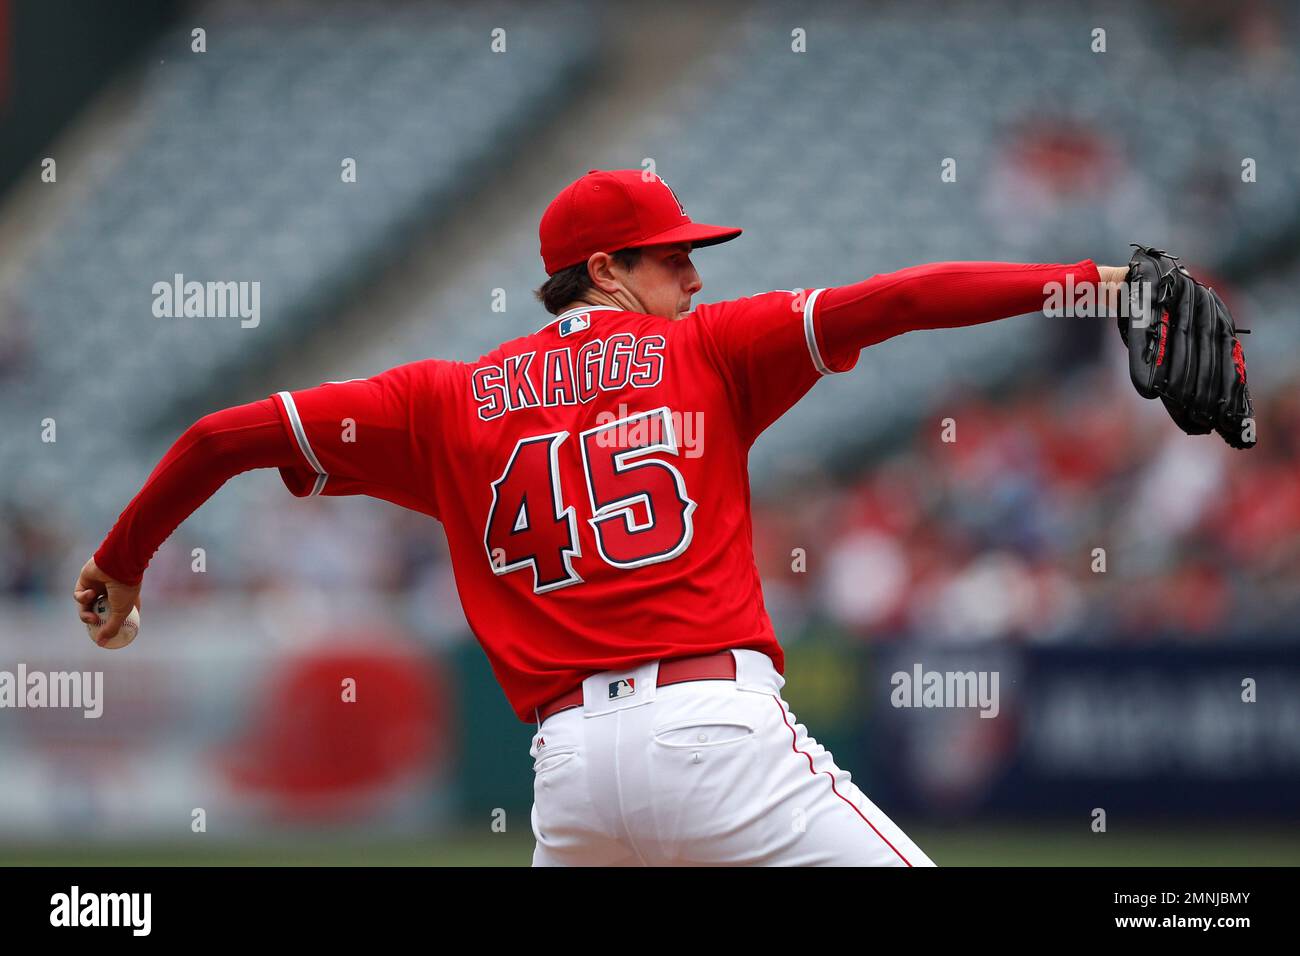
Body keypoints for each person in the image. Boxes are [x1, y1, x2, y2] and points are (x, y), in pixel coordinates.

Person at [76, 168, 1128, 866]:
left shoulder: (443, 399)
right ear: (604, 269)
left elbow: (220, 437)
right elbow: (903, 298)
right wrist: (1102, 285)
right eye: (670, 256)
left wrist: (122, 564)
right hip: (719, 739)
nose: (694, 270)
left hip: (573, 779)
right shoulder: (710, 349)